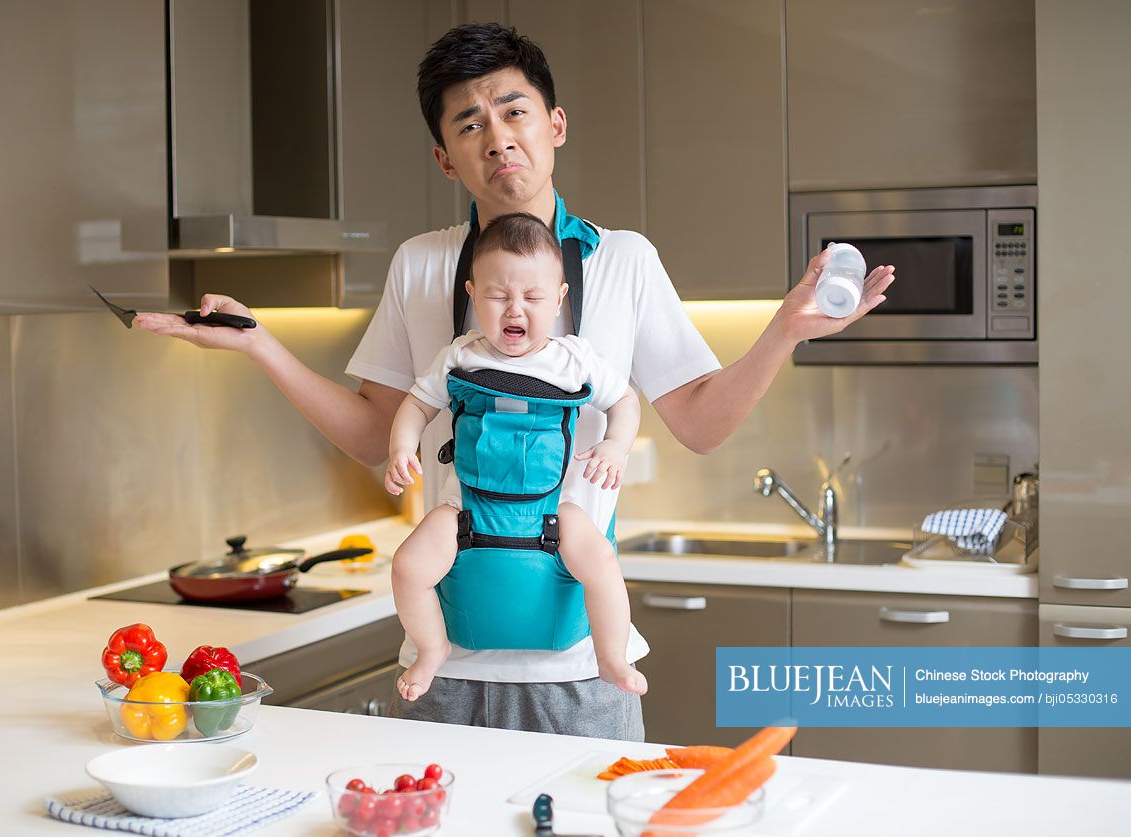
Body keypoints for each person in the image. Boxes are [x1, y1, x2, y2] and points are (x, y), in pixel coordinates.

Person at [134, 23, 894, 740]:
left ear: (554, 124)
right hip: (446, 659)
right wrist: (261, 344)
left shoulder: (622, 260)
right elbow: (375, 432)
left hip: (580, 667)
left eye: (512, 110)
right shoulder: (422, 264)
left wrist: (784, 330)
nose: (496, 137)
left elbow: (698, 421)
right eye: (467, 124)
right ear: (443, 157)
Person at [384, 211, 646, 702]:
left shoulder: (574, 358)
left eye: (532, 297)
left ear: (560, 299)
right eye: (498, 296)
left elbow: (625, 401)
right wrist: (401, 447)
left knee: (601, 559)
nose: (514, 310)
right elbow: (416, 404)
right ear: (472, 294)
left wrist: (616, 445)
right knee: (407, 566)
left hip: (551, 513)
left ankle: (611, 657)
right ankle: (431, 648)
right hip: (465, 508)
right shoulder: (459, 355)